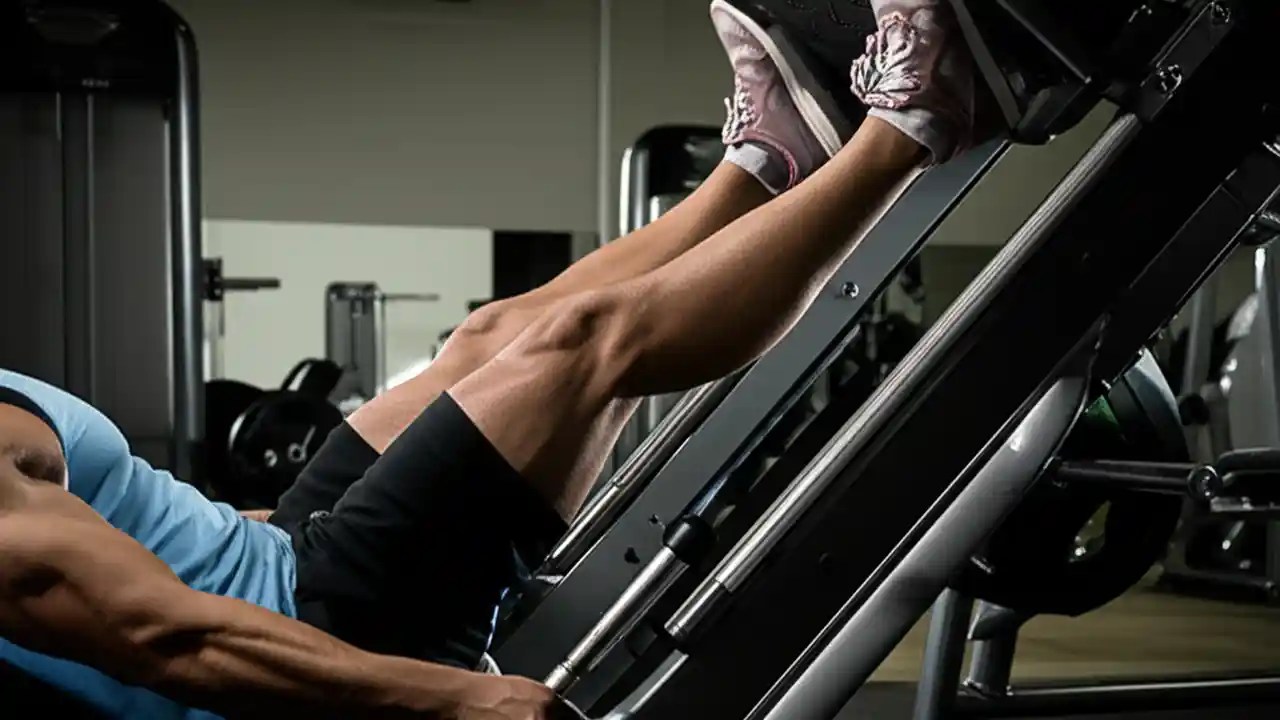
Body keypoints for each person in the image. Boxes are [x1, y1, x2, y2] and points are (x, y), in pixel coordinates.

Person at [0, 0, 990, 717]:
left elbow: (126, 539)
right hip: (316, 631)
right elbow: (165, 638)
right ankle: (915, 123)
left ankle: (770, 161)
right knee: (584, 346)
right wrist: (454, 701)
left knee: (487, 337)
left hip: (278, 556)